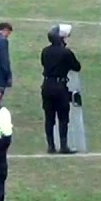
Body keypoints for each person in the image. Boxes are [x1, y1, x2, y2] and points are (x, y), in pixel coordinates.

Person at [40, 24, 81, 154]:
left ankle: (51, 146)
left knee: (49, 116)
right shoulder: (66, 52)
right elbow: (76, 66)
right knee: (63, 117)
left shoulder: (45, 51)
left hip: (46, 85)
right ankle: (63, 145)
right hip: (60, 86)